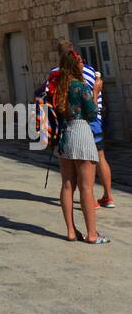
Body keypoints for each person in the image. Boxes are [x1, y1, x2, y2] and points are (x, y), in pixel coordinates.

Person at [40, 40, 113, 209]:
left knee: (77, 169)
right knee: (100, 157)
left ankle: (90, 200)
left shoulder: (56, 74)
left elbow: (49, 98)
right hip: (95, 121)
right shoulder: (90, 70)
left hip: (74, 124)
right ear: (74, 53)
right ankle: (108, 197)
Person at [54, 50, 108, 245]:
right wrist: (96, 91)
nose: (82, 64)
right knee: (86, 187)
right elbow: (93, 114)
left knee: (67, 186)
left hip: (65, 136)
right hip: (82, 133)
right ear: (75, 65)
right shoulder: (80, 86)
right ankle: (92, 234)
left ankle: (70, 231)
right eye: (80, 61)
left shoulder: (60, 87)